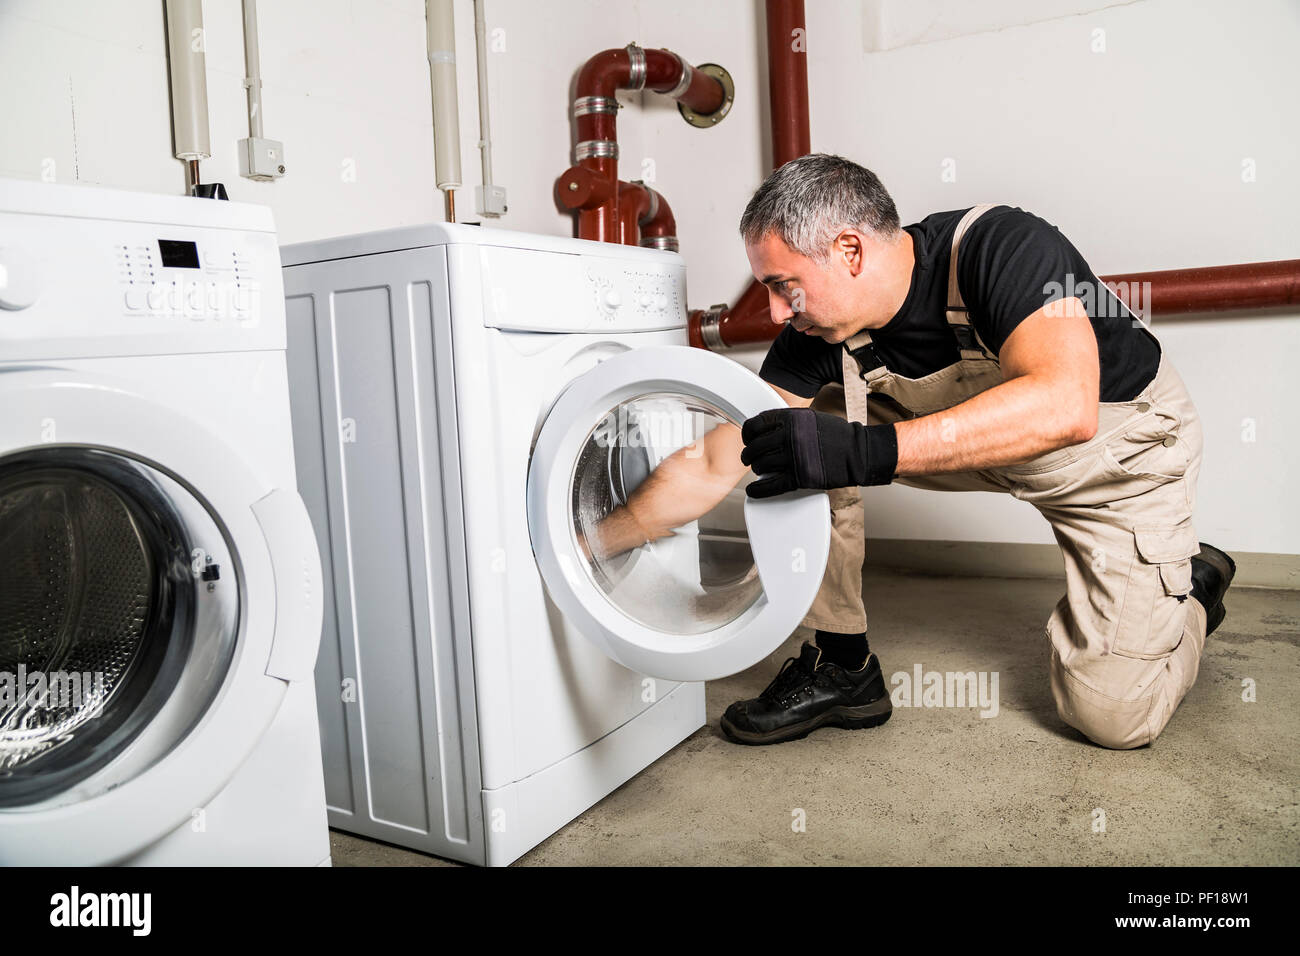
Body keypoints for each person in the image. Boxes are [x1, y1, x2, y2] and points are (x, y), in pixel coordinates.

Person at [589, 153, 1236, 750]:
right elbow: (715, 460)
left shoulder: (999, 246)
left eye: (784, 284)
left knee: (1110, 717)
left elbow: (1064, 405)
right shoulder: (818, 330)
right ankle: (843, 667)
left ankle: (1193, 587)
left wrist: (868, 452)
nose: (776, 311)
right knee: (792, 440)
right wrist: (588, 545)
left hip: (1114, 457)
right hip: (967, 446)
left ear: (848, 250)